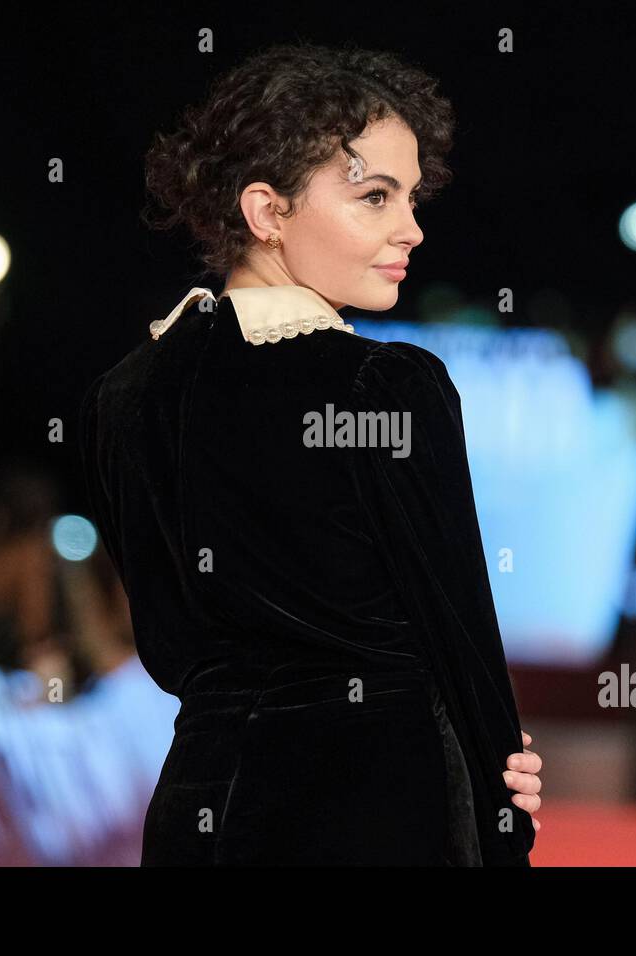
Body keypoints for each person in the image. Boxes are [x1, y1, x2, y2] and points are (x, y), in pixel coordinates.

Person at [80, 43, 541, 865]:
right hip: (376, 812)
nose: (412, 228)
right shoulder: (385, 384)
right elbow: (459, 633)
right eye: (374, 197)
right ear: (267, 211)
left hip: (196, 804)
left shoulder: (122, 396)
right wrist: (503, 798)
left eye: (410, 197)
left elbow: (168, 642)